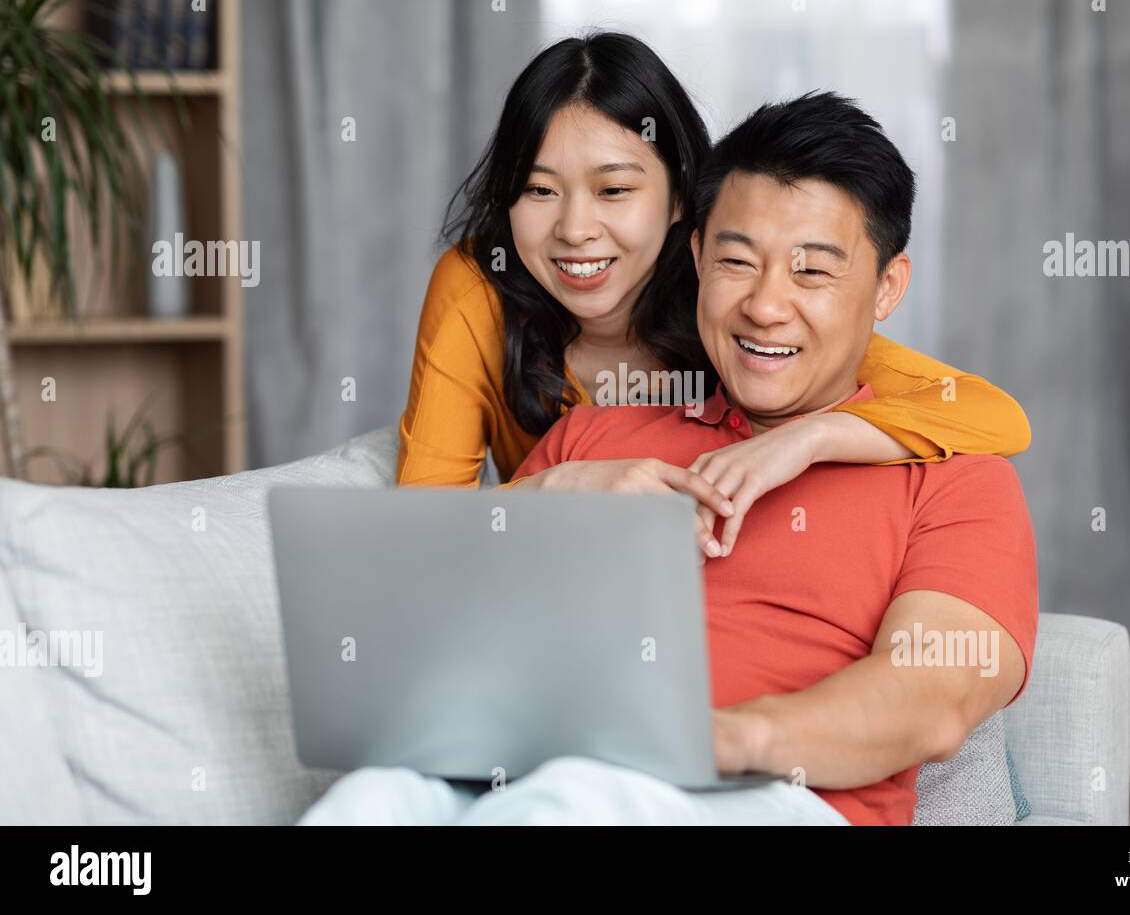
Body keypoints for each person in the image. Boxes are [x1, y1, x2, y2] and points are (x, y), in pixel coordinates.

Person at [302, 91, 1037, 826]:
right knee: (373, 797)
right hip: (534, 770)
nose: (766, 306)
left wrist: (708, 738)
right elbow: (434, 632)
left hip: (769, 796)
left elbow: (935, 696)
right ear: (696, 258)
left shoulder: (957, 478)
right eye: (737, 263)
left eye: (812, 272)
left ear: (887, 289)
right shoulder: (593, 441)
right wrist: (548, 495)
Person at [396, 31, 1030, 558]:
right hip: (556, 568)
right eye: (539, 191)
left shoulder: (735, 294)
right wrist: (560, 487)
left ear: (680, 201)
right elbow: (417, 538)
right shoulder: (479, 284)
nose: (574, 230)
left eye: (614, 191)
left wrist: (810, 437)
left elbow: (992, 415)